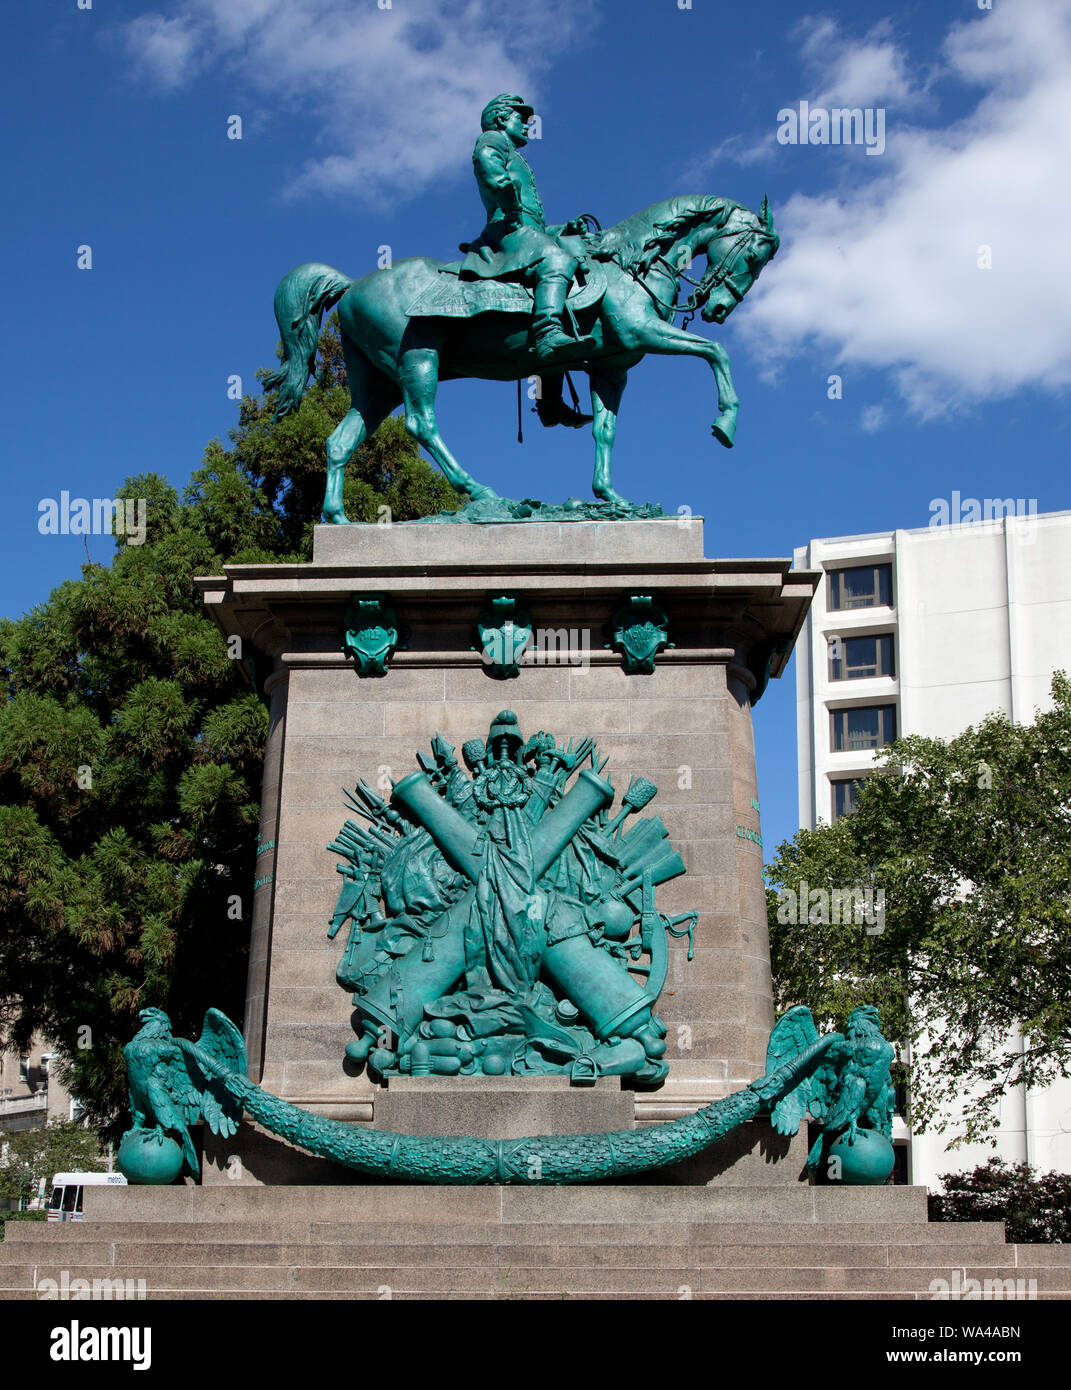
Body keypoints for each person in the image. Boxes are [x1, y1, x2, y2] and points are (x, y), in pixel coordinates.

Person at [461, 94, 594, 425]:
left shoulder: (518, 157)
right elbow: (485, 163)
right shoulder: (493, 140)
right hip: (505, 232)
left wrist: (565, 228)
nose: (526, 125)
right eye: (520, 118)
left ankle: (550, 401)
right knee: (558, 260)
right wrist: (503, 187)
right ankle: (548, 333)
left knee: (570, 259)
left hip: (526, 233)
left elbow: (535, 224)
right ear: (502, 119)